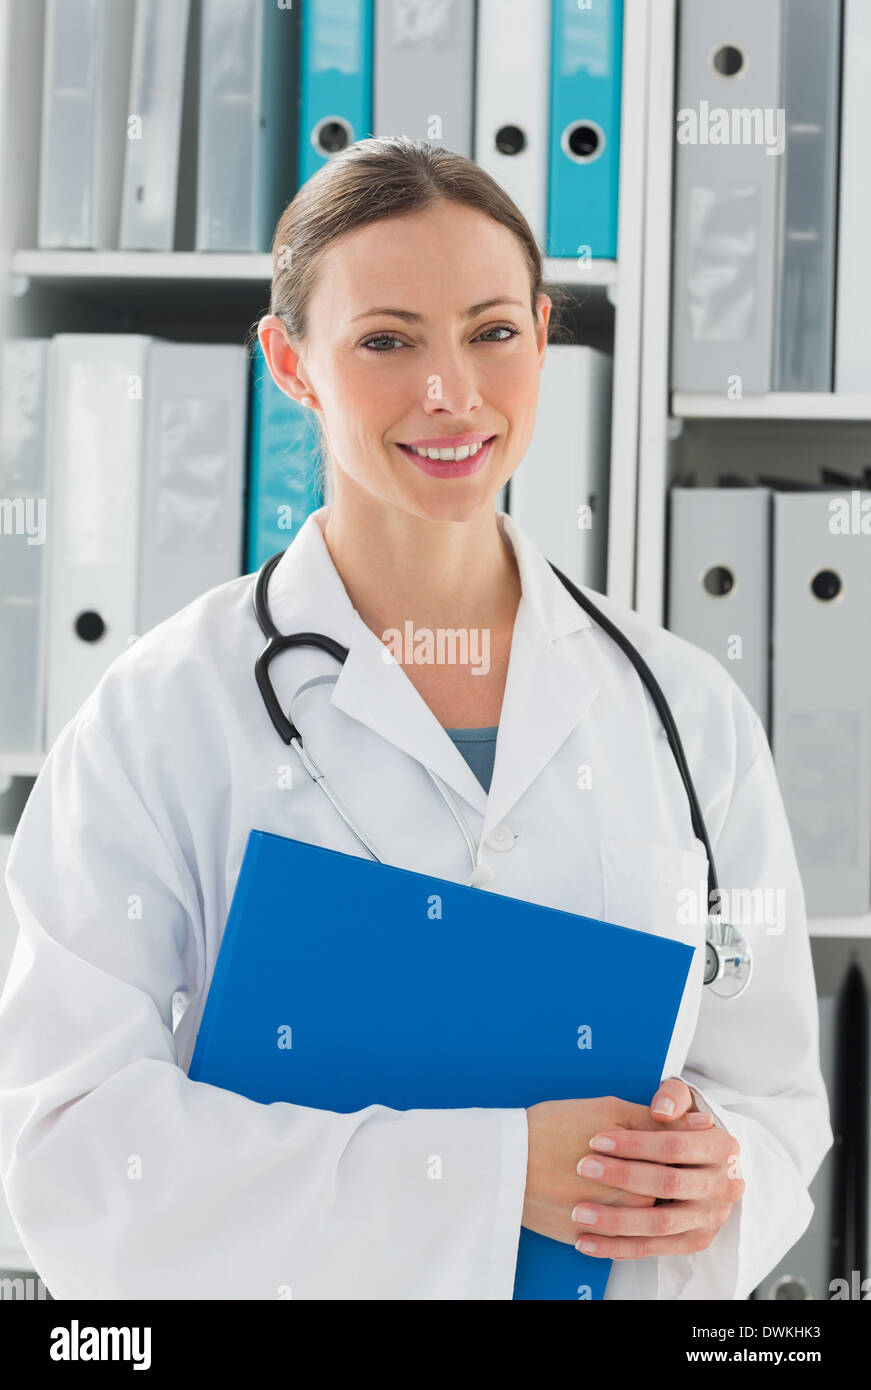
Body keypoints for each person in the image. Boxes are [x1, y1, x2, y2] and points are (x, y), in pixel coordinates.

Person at [0, 137, 831, 1300]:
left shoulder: (682, 706)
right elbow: (73, 1152)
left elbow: (774, 1098)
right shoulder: (160, 715)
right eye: (386, 340)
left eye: (492, 331)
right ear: (290, 363)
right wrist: (491, 1174)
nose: (452, 392)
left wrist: (714, 1172)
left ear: (542, 334)